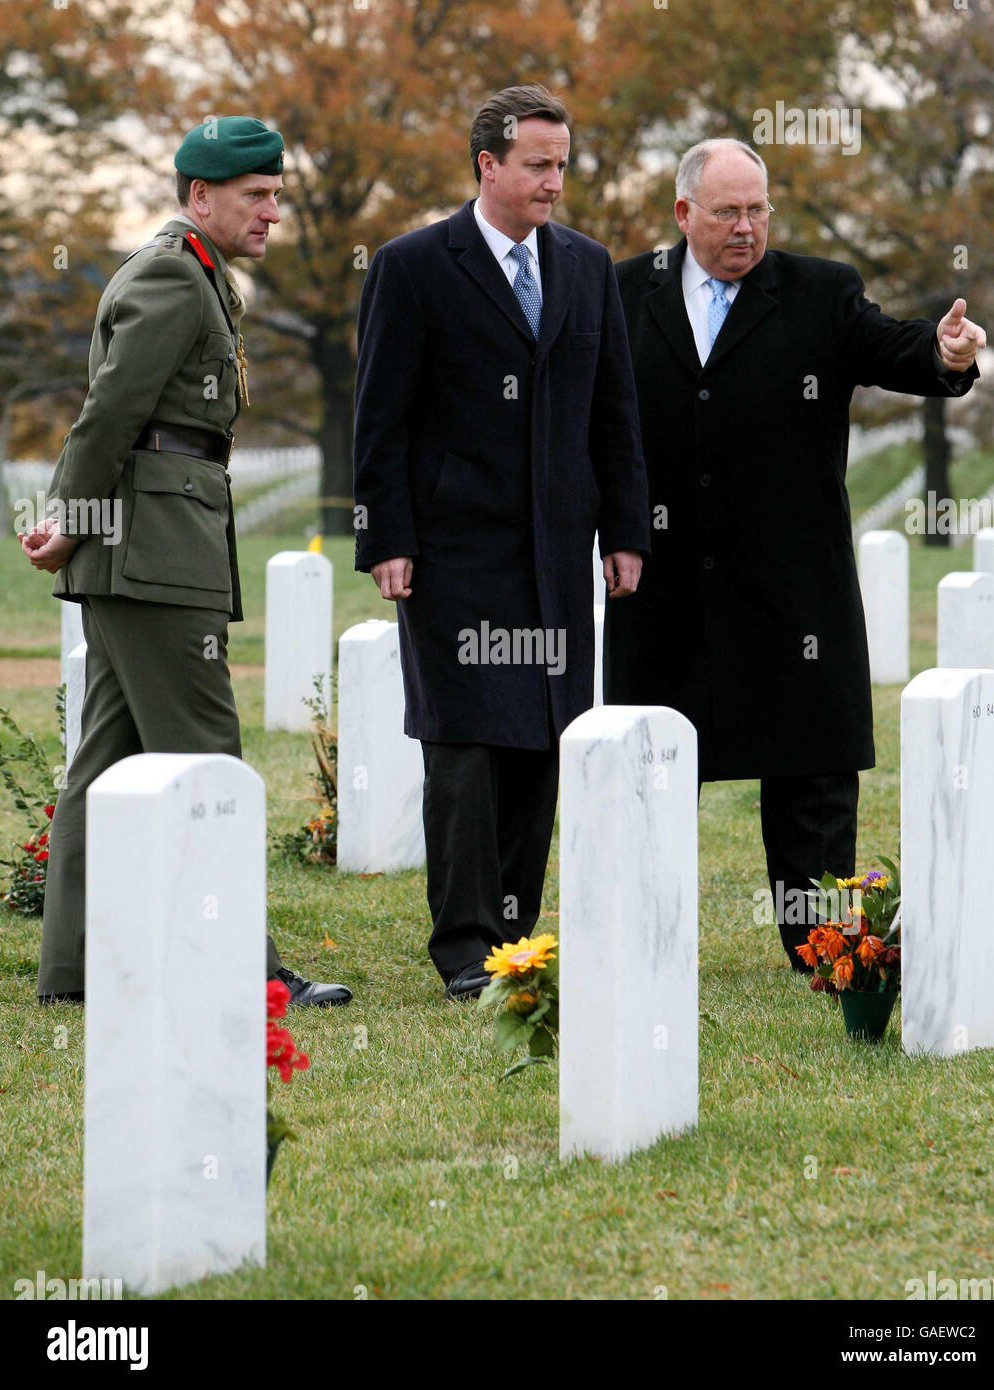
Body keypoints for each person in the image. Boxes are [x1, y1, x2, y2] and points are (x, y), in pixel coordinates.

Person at [605, 137, 985, 971]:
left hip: (790, 586)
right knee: (647, 769)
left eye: (758, 211)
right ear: (683, 214)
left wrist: (946, 355)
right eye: (727, 212)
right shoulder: (623, 290)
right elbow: (591, 417)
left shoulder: (818, 291)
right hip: (659, 583)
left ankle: (817, 945)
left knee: (809, 775)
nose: (746, 228)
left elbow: (895, 349)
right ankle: (638, 941)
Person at [20, 116, 351, 1007]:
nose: (273, 212)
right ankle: (249, 967)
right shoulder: (172, 272)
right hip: (152, 552)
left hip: (155, 544)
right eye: (257, 196)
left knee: (106, 763)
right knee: (207, 754)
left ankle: (75, 968)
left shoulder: (199, 274)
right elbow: (109, 413)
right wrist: (70, 519)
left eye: (277, 195)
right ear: (200, 196)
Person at [353, 84, 650, 999]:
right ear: (487, 164)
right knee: (466, 746)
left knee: (540, 742)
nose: (554, 182)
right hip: (450, 553)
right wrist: (385, 537)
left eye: (562, 164)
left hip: (557, 552)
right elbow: (380, 418)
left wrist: (625, 531)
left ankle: (516, 940)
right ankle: (464, 949)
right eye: (537, 164)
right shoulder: (412, 267)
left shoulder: (586, 265)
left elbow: (615, 411)